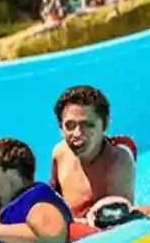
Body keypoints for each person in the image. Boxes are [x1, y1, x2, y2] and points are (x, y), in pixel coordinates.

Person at [48, 85, 139, 227]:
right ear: (61, 127)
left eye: (87, 125)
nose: (77, 133)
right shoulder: (60, 154)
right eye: (70, 125)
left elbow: (118, 226)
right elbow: (51, 200)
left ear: (105, 124)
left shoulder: (118, 161)